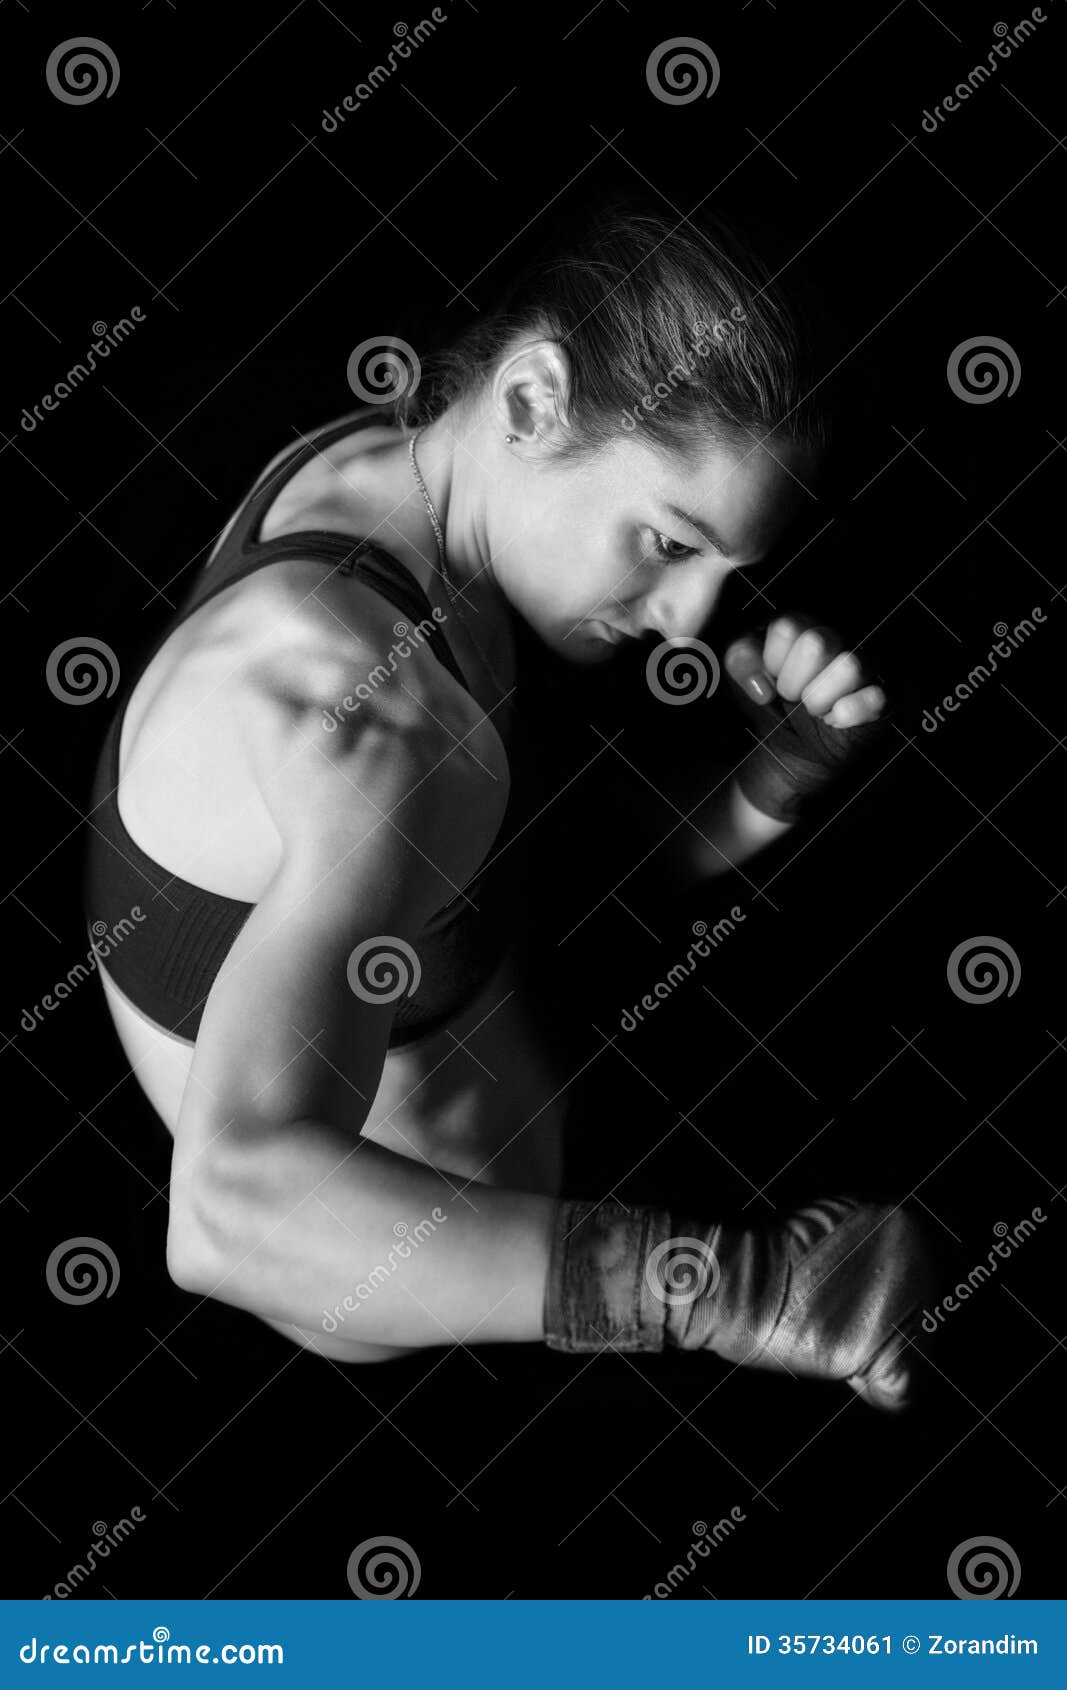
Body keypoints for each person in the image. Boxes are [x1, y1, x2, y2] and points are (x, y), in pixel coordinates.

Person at [82, 193, 939, 1404]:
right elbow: (230, 1214)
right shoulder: (372, 722)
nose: (686, 623)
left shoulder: (378, 468)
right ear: (530, 401)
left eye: (720, 568)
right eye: (668, 542)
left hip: (544, 1115)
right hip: (418, 1355)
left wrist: (767, 779)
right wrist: (738, 1291)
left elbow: (510, 873)